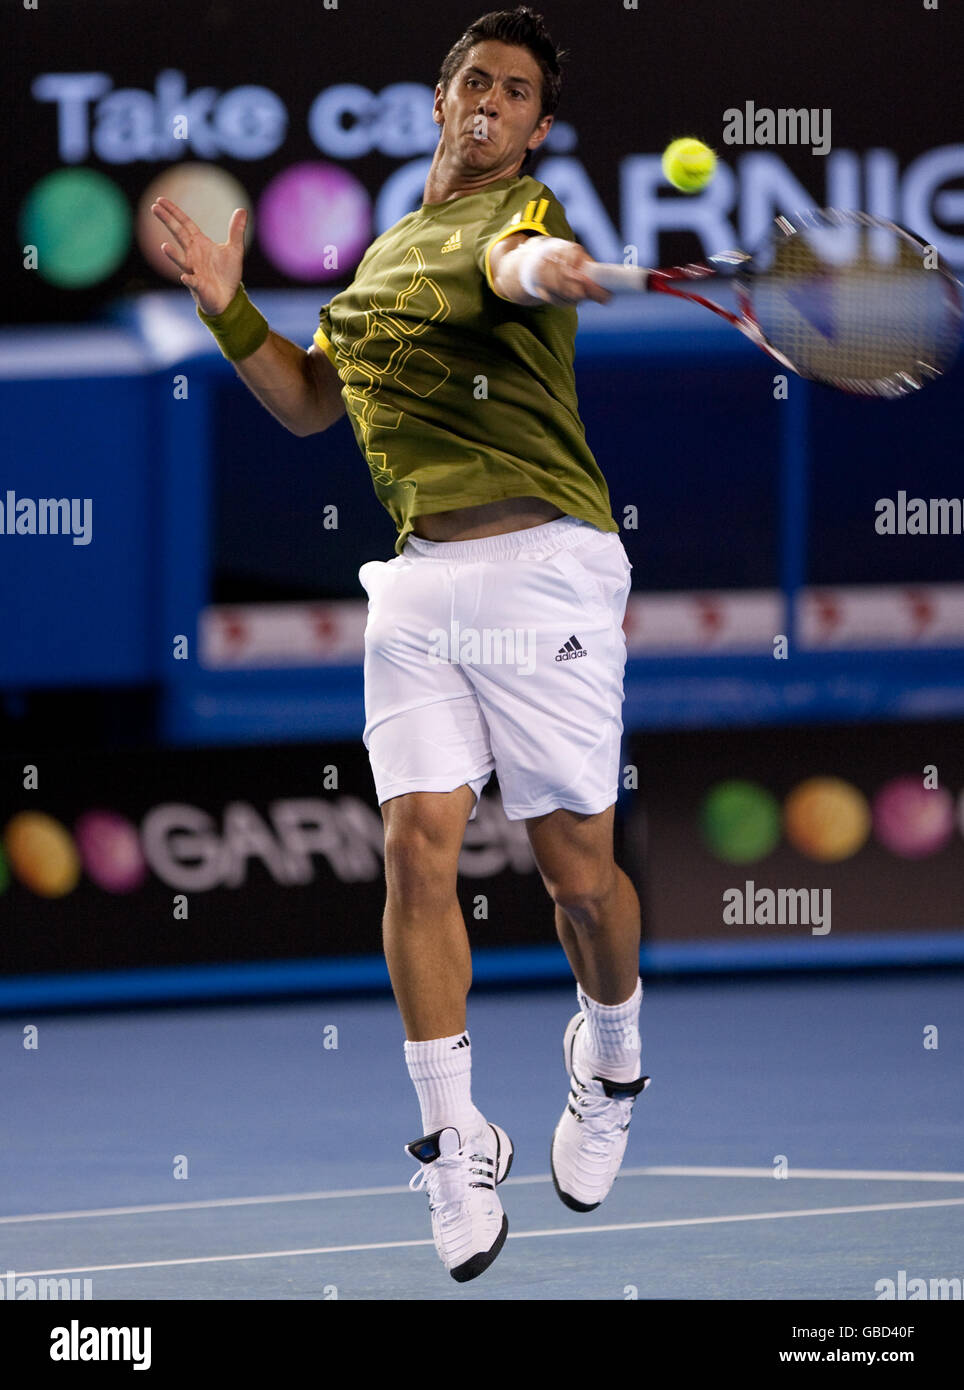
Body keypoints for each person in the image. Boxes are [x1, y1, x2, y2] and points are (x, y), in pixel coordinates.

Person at [152, 5, 649, 1285]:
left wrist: (551, 271)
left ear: (538, 125)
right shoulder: (379, 261)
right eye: (473, 79)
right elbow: (314, 403)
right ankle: (451, 1132)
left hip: (546, 572)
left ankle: (612, 1051)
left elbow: (517, 272)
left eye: (516, 90)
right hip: (422, 578)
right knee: (416, 843)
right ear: (440, 98)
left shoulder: (521, 224)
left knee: (577, 877)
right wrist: (227, 308)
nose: (489, 100)